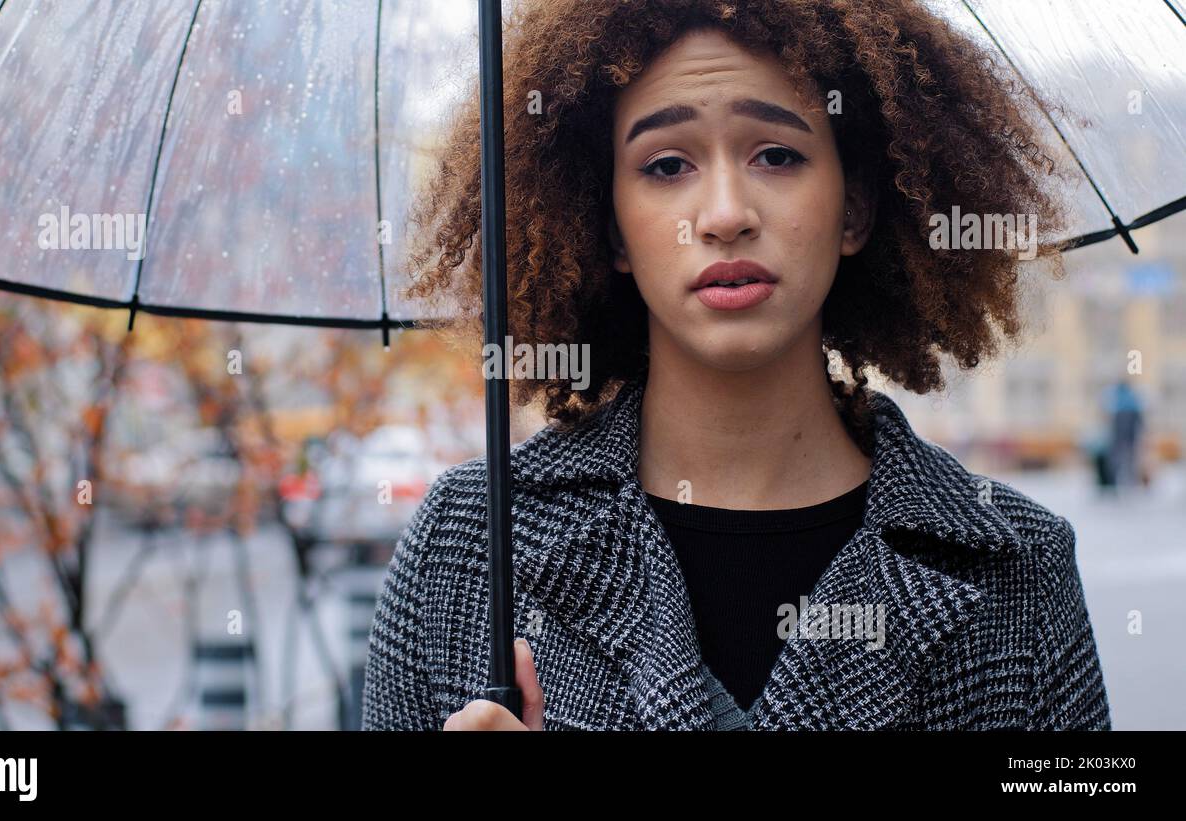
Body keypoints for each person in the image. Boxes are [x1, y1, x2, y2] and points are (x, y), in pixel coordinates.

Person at [362, 0, 1111, 730]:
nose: (724, 214)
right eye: (666, 165)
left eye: (777, 155)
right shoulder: (466, 546)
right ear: (611, 229)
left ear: (854, 207)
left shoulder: (1018, 564)